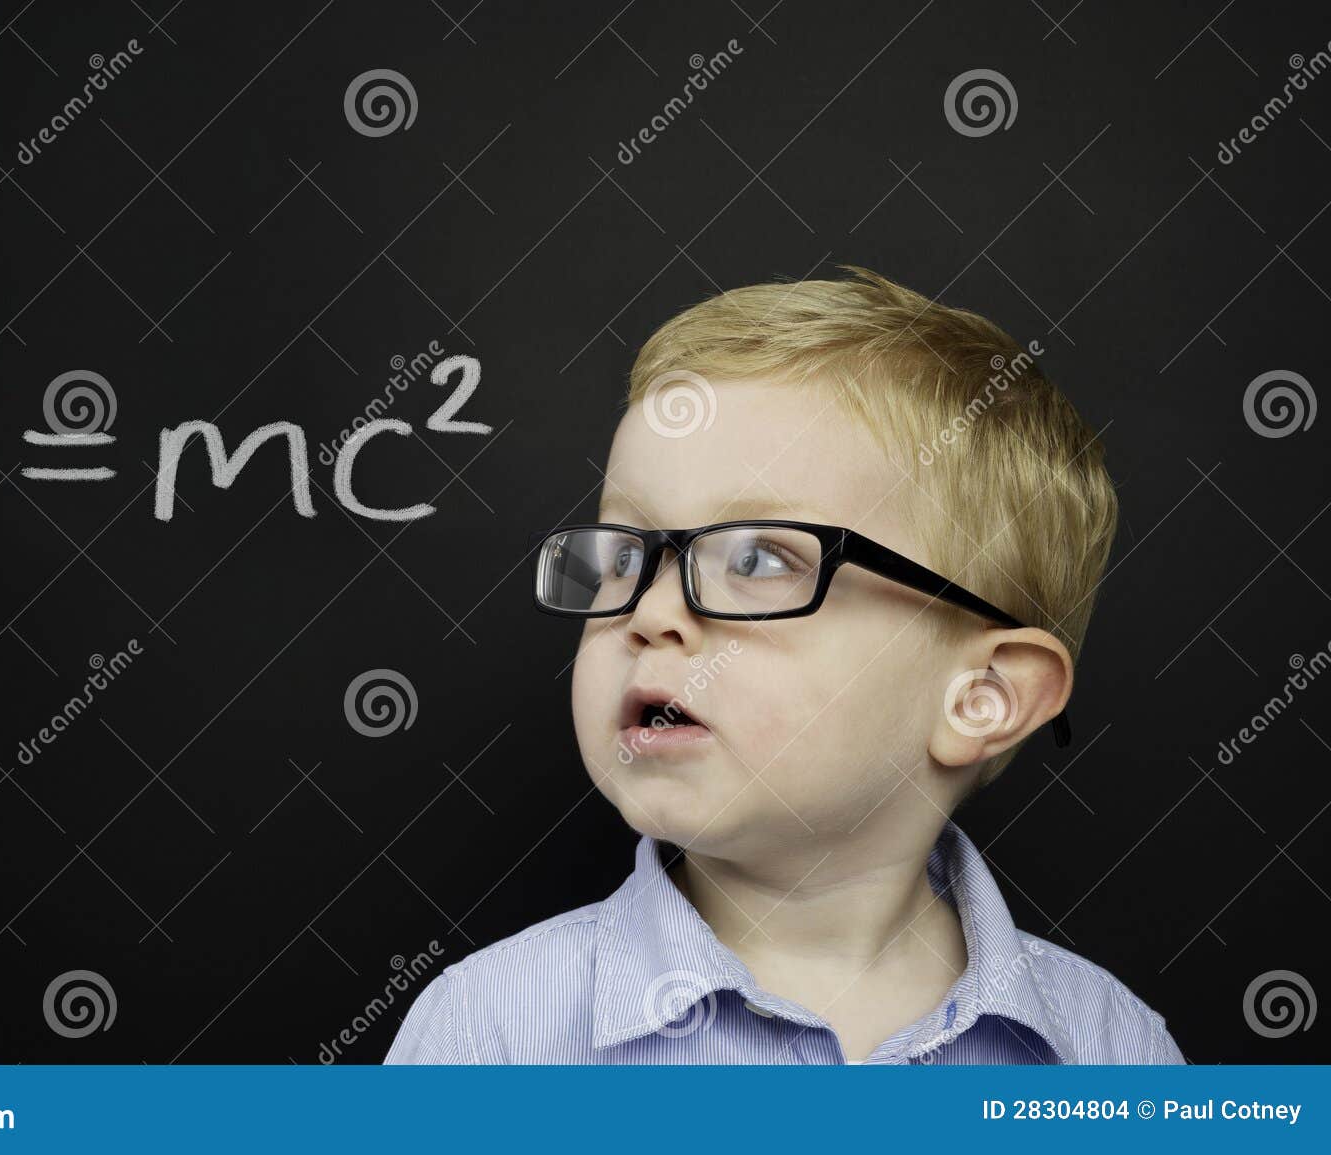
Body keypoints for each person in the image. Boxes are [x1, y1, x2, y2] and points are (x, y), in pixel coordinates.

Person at [386, 268, 1183, 1064]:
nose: (651, 614)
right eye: (626, 556)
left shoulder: (1111, 1050)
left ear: (983, 695)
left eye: (759, 557)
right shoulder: (492, 1032)